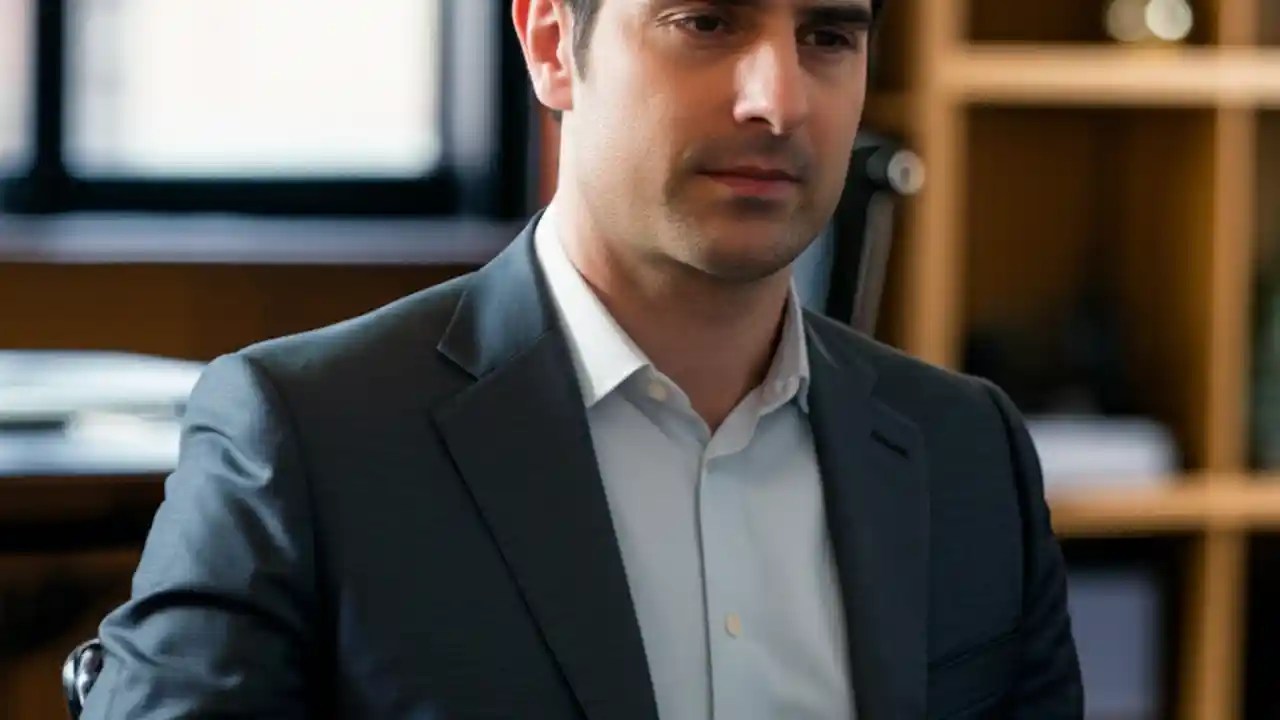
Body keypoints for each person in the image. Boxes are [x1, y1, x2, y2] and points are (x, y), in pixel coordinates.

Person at [82, 0, 1083, 718]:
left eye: (825, 35)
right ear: (552, 44)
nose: (776, 98)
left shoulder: (965, 449)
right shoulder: (307, 436)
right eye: (707, 23)